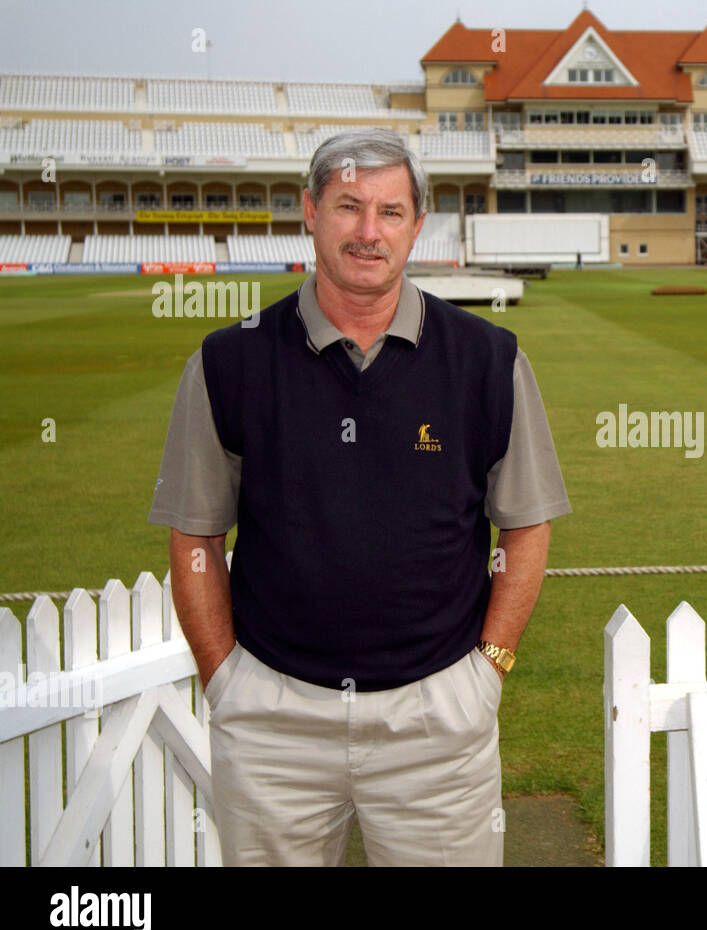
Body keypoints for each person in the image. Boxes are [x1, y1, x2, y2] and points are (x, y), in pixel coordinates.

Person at [148, 127, 571, 866]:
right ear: (309, 211)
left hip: (438, 719)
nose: (369, 232)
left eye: (391, 211)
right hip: (273, 720)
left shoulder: (487, 359)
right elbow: (196, 537)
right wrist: (226, 681)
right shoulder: (228, 361)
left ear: (418, 224)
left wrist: (488, 667)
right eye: (348, 207)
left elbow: (526, 526)